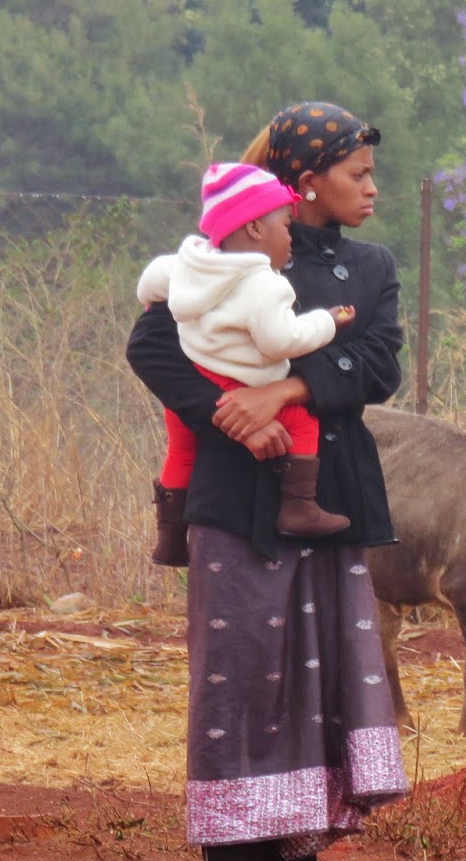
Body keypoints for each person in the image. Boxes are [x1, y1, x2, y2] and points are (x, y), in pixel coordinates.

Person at [125, 100, 408, 861]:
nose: (373, 188)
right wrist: (227, 414)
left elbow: (377, 363)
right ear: (307, 184)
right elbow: (150, 346)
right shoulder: (229, 253)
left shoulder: (372, 267)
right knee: (245, 666)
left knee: (319, 666)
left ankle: (297, 856)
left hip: (327, 486)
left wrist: (280, 389)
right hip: (236, 491)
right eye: (358, 174)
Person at [140, 160, 357, 565]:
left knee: (181, 454)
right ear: (256, 229)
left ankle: (169, 537)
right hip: (241, 386)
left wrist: (153, 302)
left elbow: (151, 280)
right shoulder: (265, 284)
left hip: (194, 380)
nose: (290, 238)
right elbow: (281, 342)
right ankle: (299, 506)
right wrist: (326, 322)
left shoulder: (188, 265)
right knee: (302, 420)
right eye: (285, 227)